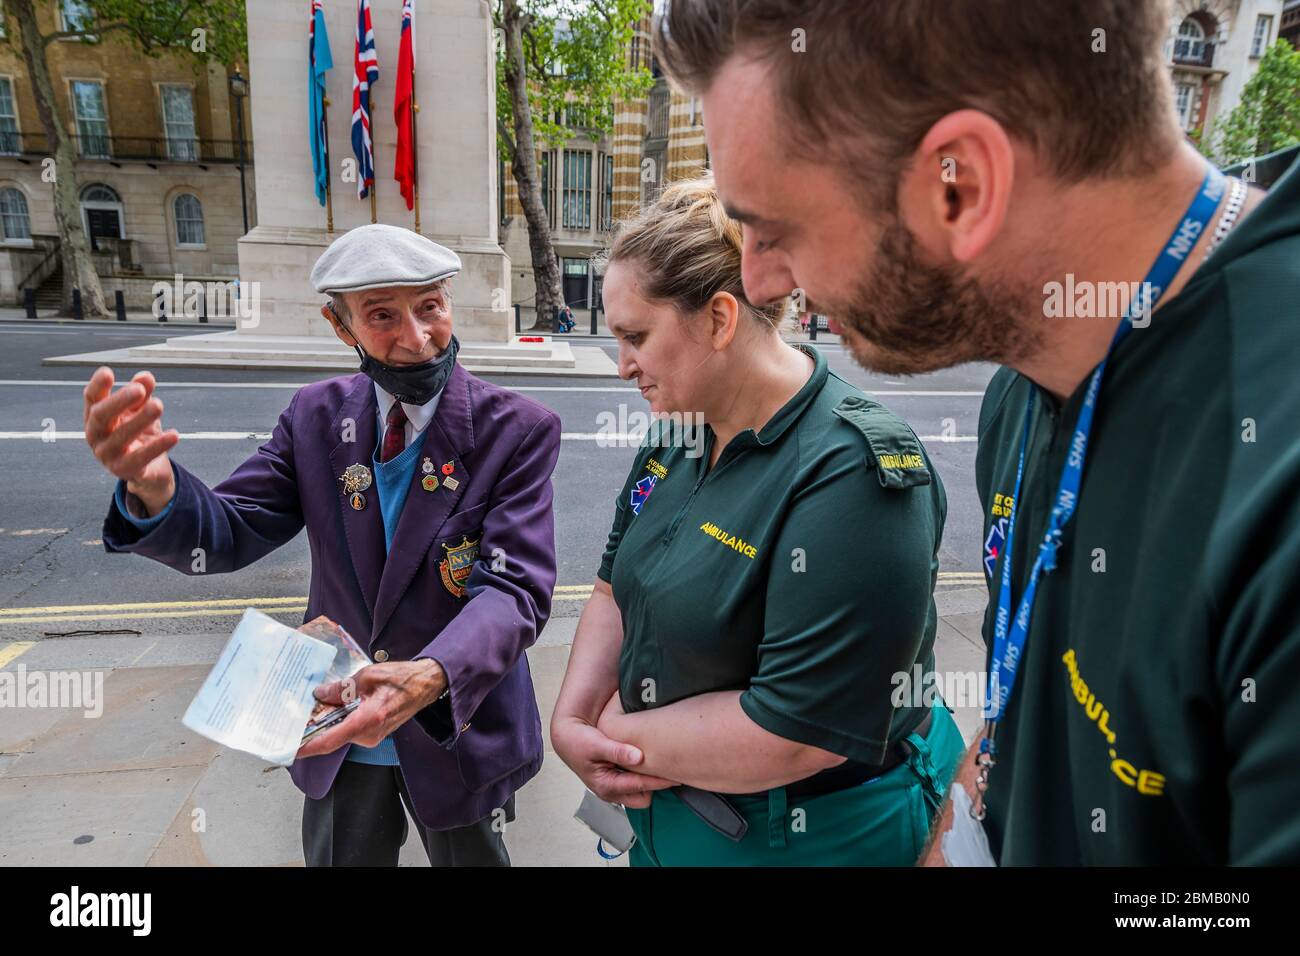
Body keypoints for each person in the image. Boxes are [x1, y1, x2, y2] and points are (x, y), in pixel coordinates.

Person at [654, 0, 1300, 864]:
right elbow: (1022, 686)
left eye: (774, 228)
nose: (759, 279)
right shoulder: (1026, 384)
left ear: (961, 185)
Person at [85, 224, 562, 867]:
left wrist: (430, 676)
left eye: (430, 307)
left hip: (454, 723)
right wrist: (155, 490)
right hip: (341, 730)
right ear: (343, 328)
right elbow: (228, 532)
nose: (417, 337)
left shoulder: (518, 430)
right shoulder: (313, 417)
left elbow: (514, 590)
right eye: (383, 316)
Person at [551, 177, 962, 865]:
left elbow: (799, 731)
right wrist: (570, 720)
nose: (621, 367)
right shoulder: (679, 427)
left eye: (636, 336)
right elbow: (610, 587)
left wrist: (617, 736)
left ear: (718, 319)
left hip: (807, 833)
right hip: (677, 815)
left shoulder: (853, 470)